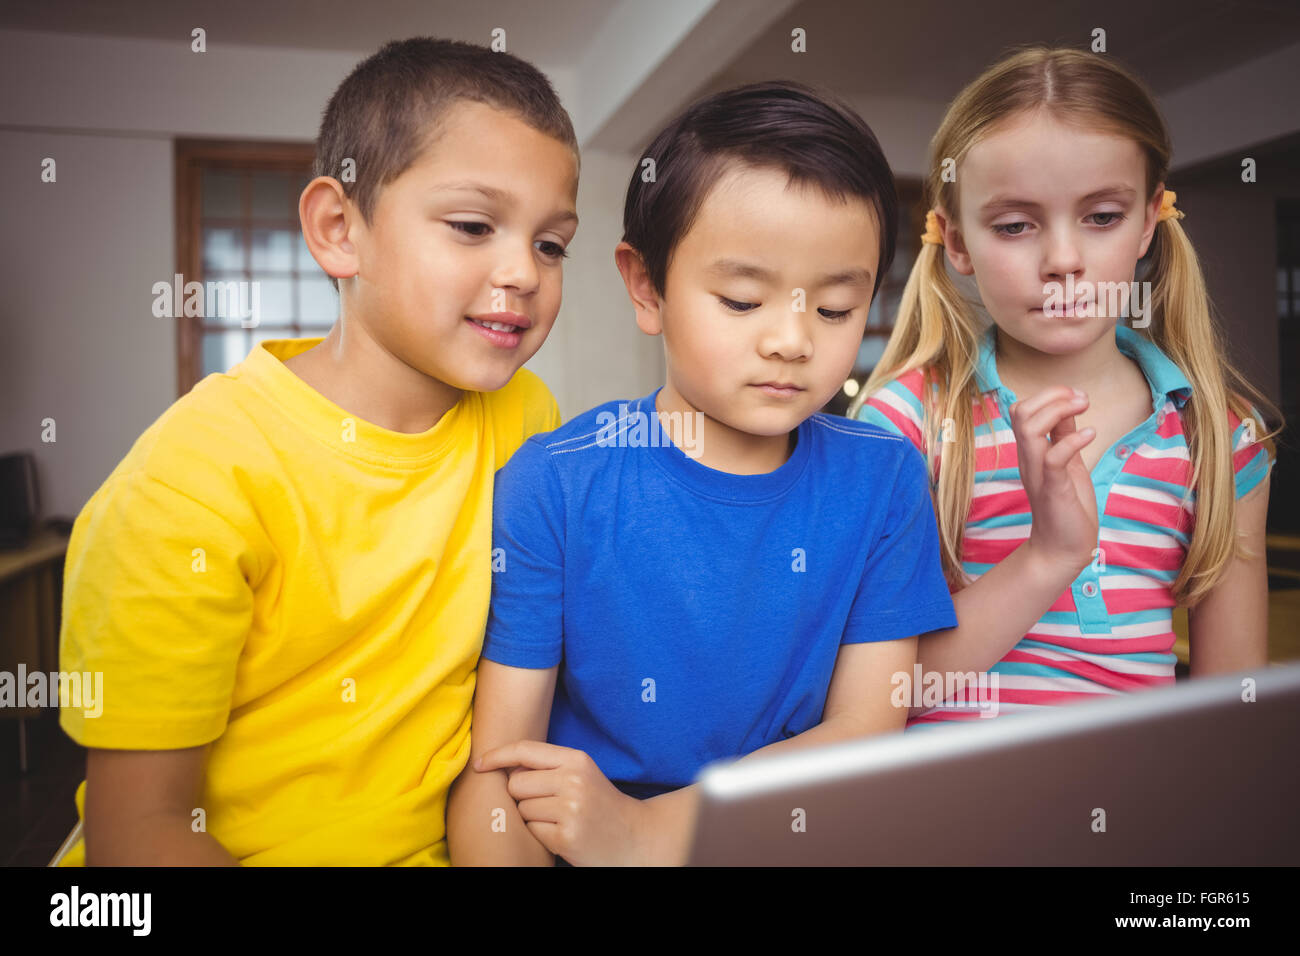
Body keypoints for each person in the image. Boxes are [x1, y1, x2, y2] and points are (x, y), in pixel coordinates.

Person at [56, 37, 579, 865]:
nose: (523, 271)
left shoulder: (527, 418)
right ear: (340, 230)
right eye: (474, 225)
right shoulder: (190, 481)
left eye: (552, 244)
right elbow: (138, 834)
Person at [447, 81, 957, 866]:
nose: (791, 341)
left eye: (833, 310)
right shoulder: (554, 482)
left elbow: (865, 729)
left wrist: (653, 831)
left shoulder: (883, 479)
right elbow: (501, 771)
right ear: (647, 286)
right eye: (743, 299)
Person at [850, 46, 1277, 727]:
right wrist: (1048, 558)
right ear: (956, 243)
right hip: (947, 822)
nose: (1064, 261)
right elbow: (877, 699)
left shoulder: (1223, 437)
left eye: (1101, 217)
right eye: (1015, 225)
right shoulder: (905, 424)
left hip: (1139, 817)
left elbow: (1233, 712)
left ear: (1148, 222)